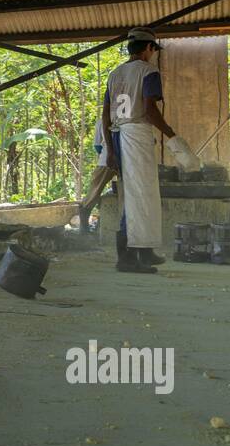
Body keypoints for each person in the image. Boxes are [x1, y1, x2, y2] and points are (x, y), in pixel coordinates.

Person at [101, 27, 181, 274]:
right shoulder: (149, 71)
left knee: (140, 194)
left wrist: (110, 150)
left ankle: (144, 251)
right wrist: (172, 135)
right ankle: (126, 258)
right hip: (136, 135)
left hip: (118, 135)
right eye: (154, 49)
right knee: (138, 196)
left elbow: (105, 114)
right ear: (149, 48)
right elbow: (149, 110)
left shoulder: (115, 74)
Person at [77, 119, 115, 233]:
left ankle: (87, 226)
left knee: (94, 191)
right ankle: (84, 225)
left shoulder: (101, 121)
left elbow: (97, 145)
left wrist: (104, 154)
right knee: (94, 192)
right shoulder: (124, 119)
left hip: (106, 159)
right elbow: (98, 146)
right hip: (113, 160)